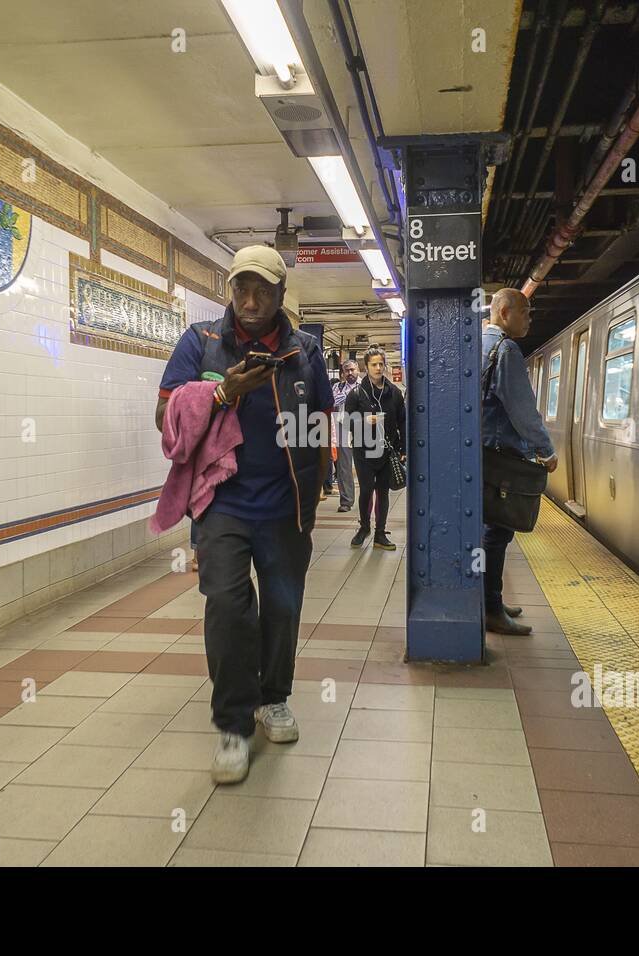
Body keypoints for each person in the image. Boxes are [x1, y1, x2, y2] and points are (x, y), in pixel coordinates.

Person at [155, 245, 333, 784]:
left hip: (284, 506)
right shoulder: (202, 341)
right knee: (229, 606)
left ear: (282, 295)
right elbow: (164, 414)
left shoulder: (305, 352)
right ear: (229, 292)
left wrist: (320, 482)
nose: (251, 301)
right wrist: (223, 391)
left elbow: (322, 418)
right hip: (222, 502)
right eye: (241, 289)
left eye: (262, 290)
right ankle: (232, 723)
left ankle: (273, 698)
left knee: (282, 606)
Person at [482, 288, 557, 635]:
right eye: (525, 312)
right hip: (501, 456)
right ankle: (492, 609)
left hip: (479, 452)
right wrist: (546, 450)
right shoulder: (506, 349)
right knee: (498, 532)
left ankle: (489, 601)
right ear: (505, 311)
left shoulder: (476, 344)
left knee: (488, 530)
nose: (529, 319)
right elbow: (522, 409)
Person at [344, 346, 405, 551]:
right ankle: (364, 528)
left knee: (383, 492)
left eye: (381, 364)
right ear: (366, 367)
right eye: (374, 364)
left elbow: (402, 422)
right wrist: (363, 419)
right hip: (364, 451)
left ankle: (380, 533)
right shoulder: (356, 394)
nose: (378, 368)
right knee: (367, 491)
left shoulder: (394, 393)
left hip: (387, 451)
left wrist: (403, 449)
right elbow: (346, 421)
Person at [330, 359, 358, 512]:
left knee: (367, 465)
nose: (350, 373)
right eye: (347, 371)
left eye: (352, 369)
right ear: (343, 373)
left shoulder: (365, 386)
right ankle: (346, 501)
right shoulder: (337, 387)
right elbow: (332, 402)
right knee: (343, 467)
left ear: (358, 370)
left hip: (362, 427)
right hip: (342, 428)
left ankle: (369, 496)